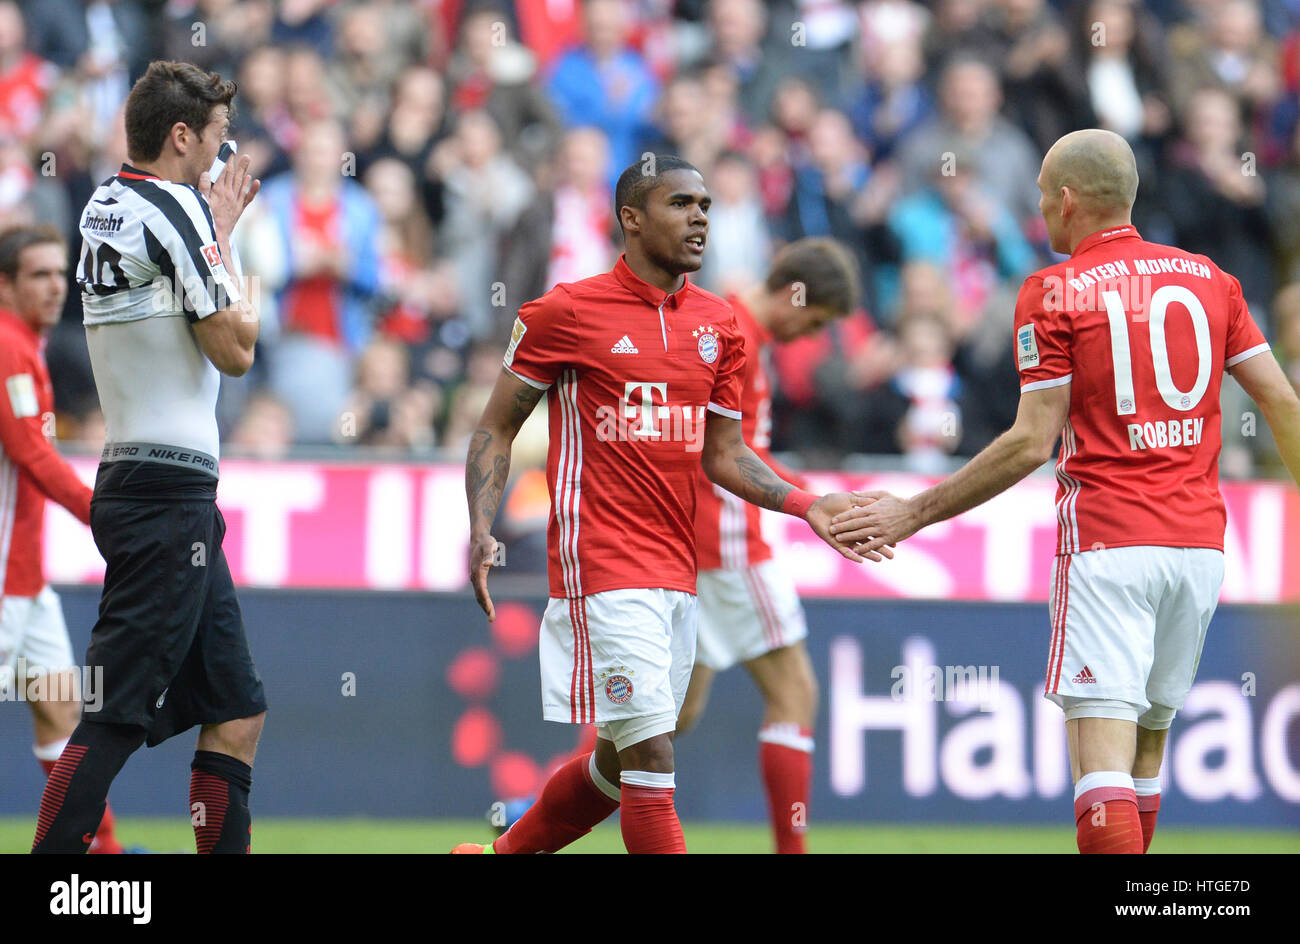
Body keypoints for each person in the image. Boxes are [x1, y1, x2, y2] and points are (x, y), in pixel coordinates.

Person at [828, 129, 1300, 854]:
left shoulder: (1053, 291)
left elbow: (1028, 441)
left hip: (1108, 544)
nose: (1040, 210)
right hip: (1200, 548)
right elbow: (1281, 402)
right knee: (1149, 742)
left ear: (1070, 199)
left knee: (1099, 761)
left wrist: (912, 512)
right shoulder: (1212, 279)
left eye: (1045, 195)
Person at [455, 155, 881, 855]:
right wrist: (480, 526)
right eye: (681, 203)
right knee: (654, 760)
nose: (700, 218)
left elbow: (725, 454)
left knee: (618, 767)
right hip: (601, 566)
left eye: (707, 205)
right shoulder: (565, 311)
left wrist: (810, 506)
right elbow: (496, 425)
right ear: (631, 218)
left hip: (678, 572)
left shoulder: (721, 327)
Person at [31, 60, 266, 854]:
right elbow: (234, 350)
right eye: (216, 142)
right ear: (179, 137)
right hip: (166, 493)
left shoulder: (107, 200)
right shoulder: (175, 208)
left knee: (235, 710)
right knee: (112, 715)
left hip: (149, 481)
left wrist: (215, 232)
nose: (221, 161)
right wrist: (230, 251)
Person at [675, 236, 859, 854]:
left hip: (688, 538)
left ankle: (532, 815)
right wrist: (810, 500)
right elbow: (725, 452)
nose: (810, 333)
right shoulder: (741, 338)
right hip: (727, 539)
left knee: (673, 714)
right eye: (816, 318)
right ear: (795, 291)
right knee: (795, 692)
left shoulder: (723, 321)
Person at [0, 225, 123, 853]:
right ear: (6, 285)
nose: (55, 286)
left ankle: (98, 857)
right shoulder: (6, 345)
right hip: (2, 581)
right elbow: (30, 452)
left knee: (61, 717)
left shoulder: (27, 347)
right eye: (38, 275)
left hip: (26, 581)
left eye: (59, 273)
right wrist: (100, 512)